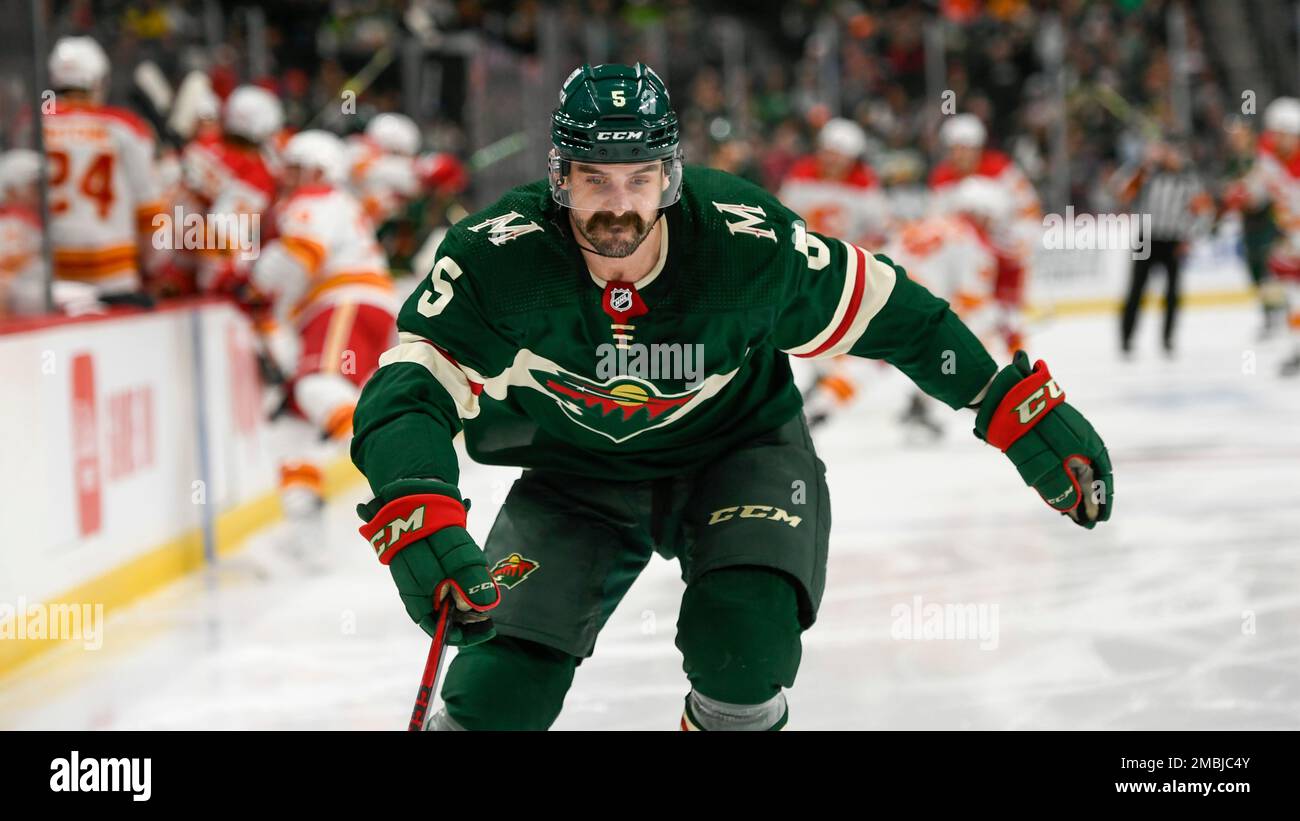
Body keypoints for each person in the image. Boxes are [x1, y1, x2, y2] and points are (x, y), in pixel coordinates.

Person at [351, 63, 1113, 731]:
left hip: (737, 453)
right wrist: (413, 496)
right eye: (594, 179)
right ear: (561, 177)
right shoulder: (499, 257)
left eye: (639, 178)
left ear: (670, 176)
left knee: (744, 651)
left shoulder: (741, 243)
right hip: (577, 475)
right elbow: (410, 386)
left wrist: (1005, 403)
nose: (618, 205)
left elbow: (892, 313)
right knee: (498, 692)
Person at [251, 130, 398, 526]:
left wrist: (256, 285)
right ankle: (306, 532)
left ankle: (387, 456)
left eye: (298, 168)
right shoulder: (337, 203)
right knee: (295, 427)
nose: (290, 178)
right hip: (351, 308)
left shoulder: (315, 198)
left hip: (343, 305)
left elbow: (301, 258)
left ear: (320, 170)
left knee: (317, 387)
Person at [42, 36, 166, 298]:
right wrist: (155, 268)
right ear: (97, 80)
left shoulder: (34, 125)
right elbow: (150, 210)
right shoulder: (125, 126)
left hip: (52, 279)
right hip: (113, 275)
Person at [1113, 138, 1212, 357]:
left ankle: (1168, 340)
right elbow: (1122, 192)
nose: (1171, 157)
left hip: (1174, 241)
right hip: (1146, 238)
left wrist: (1189, 237)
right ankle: (1126, 340)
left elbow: (1204, 211)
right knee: (1136, 290)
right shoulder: (1148, 173)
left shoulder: (1189, 179)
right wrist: (1141, 166)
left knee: (1172, 293)